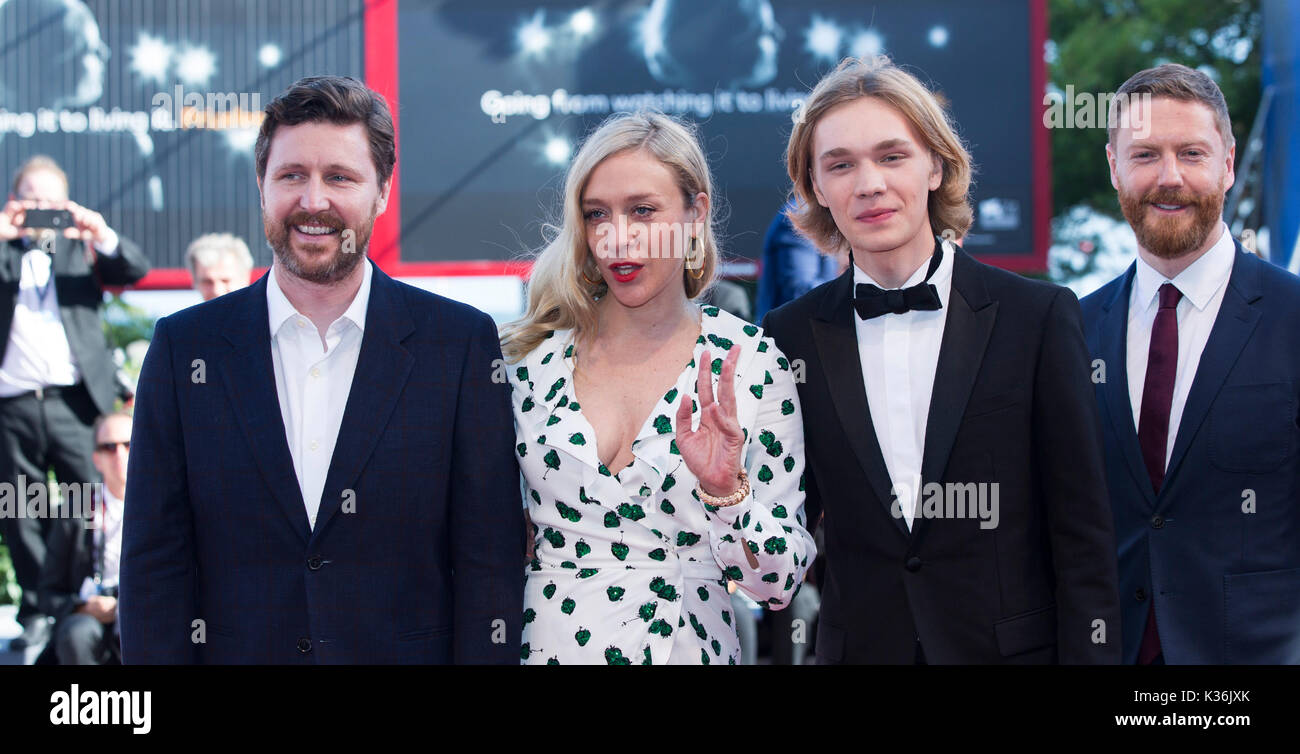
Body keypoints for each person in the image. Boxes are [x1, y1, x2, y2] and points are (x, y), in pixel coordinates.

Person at [120, 75, 524, 664]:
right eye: (291, 176)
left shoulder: (458, 345)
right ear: (261, 185)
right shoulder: (185, 350)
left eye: (340, 177)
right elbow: (153, 566)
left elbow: (489, 561)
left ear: (382, 190)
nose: (313, 201)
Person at [762, 56, 1120, 664]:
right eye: (841, 165)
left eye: (891, 156)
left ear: (936, 164)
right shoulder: (789, 335)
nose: (869, 183)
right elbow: (787, 530)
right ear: (816, 188)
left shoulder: (1038, 317)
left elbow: (1084, 537)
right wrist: (730, 487)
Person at [500, 111, 815, 665]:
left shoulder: (752, 365)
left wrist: (727, 494)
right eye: (598, 214)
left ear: (696, 212)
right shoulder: (531, 365)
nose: (617, 237)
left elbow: (779, 582)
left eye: (643, 211)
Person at [1080, 63, 1300, 664]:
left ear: (1228, 165)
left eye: (1193, 153)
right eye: (1146, 154)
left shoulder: (1294, 318)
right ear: (1114, 166)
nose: (1170, 178)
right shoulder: (1070, 332)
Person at [0, 155, 150, 651]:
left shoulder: (78, 251)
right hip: (13, 403)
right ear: (13, 200)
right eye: (30, 197)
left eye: (49, 200)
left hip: (75, 401)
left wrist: (97, 232)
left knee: (94, 500)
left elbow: (133, 267)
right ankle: (42, 609)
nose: (40, 208)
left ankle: (107, 601)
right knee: (19, 510)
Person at [38, 409, 134, 665]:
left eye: (128, 444)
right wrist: (82, 607)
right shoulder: (76, 511)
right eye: (109, 447)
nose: (119, 455)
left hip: (145, 611)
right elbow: (48, 593)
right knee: (76, 633)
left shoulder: (165, 505)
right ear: (96, 459)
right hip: (92, 621)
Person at [186, 232, 254, 301]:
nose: (217, 291)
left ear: (245, 277)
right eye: (207, 282)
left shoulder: (264, 310)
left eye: (225, 281)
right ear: (195, 282)